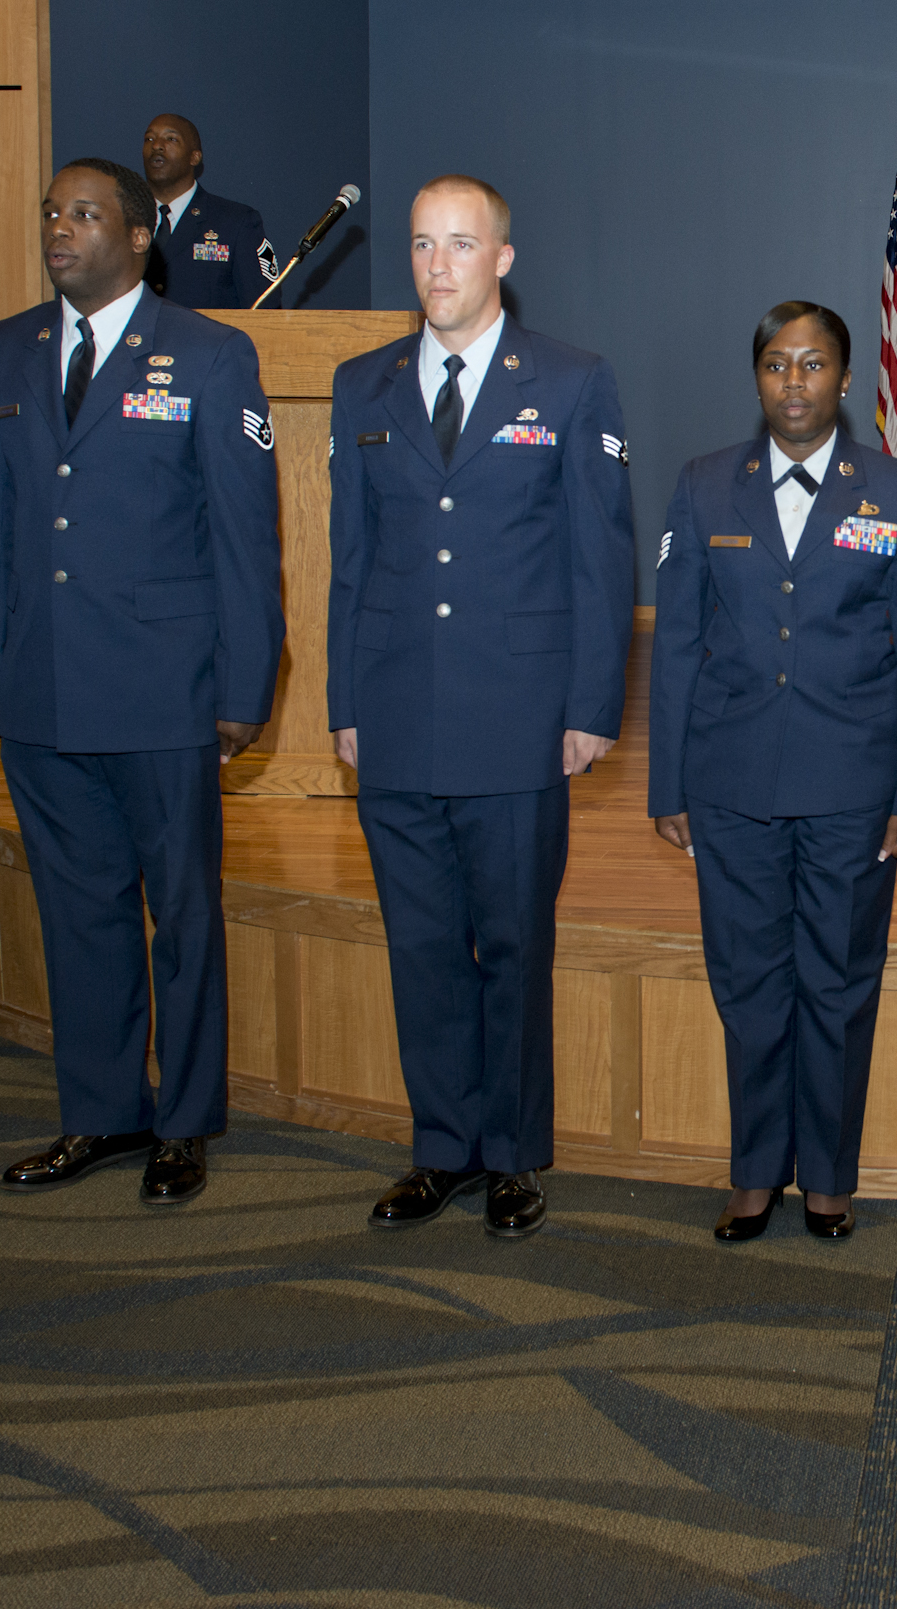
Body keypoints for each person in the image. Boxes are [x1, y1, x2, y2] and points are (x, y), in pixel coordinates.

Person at [330, 175, 634, 1241]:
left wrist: (593, 703)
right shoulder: (361, 386)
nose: (437, 266)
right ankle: (439, 1147)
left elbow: (602, 561)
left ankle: (510, 1152)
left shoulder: (571, 381)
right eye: (422, 246)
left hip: (519, 713)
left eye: (461, 245)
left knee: (510, 941)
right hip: (397, 711)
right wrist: (342, 701)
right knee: (421, 944)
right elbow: (349, 561)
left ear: (503, 256)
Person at [0, 158, 281, 1206]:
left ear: (141, 236)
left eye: (87, 213)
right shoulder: (4, 351)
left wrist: (246, 687)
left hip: (165, 687)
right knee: (78, 912)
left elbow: (246, 536)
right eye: (52, 211)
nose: (62, 229)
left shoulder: (209, 352)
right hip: (44, 688)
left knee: (181, 914)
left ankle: (184, 1121)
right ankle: (100, 1111)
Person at [647, 302, 897, 1243]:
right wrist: (667, 789)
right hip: (731, 784)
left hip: (852, 788)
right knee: (746, 979)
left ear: (846, 381)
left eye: (813, 365)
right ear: (758, 378)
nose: (794, 383)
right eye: (777, 365)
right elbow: (677, 647)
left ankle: (825, 1174)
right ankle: (753, 1170)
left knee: (839, 981)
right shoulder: (703, 489)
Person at [139, 113, 273, 310]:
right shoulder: (125, 220)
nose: (156, 145)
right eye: (149, 138)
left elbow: (264, 307)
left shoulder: (236, 222)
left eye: (171, 139)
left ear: (195, 157)